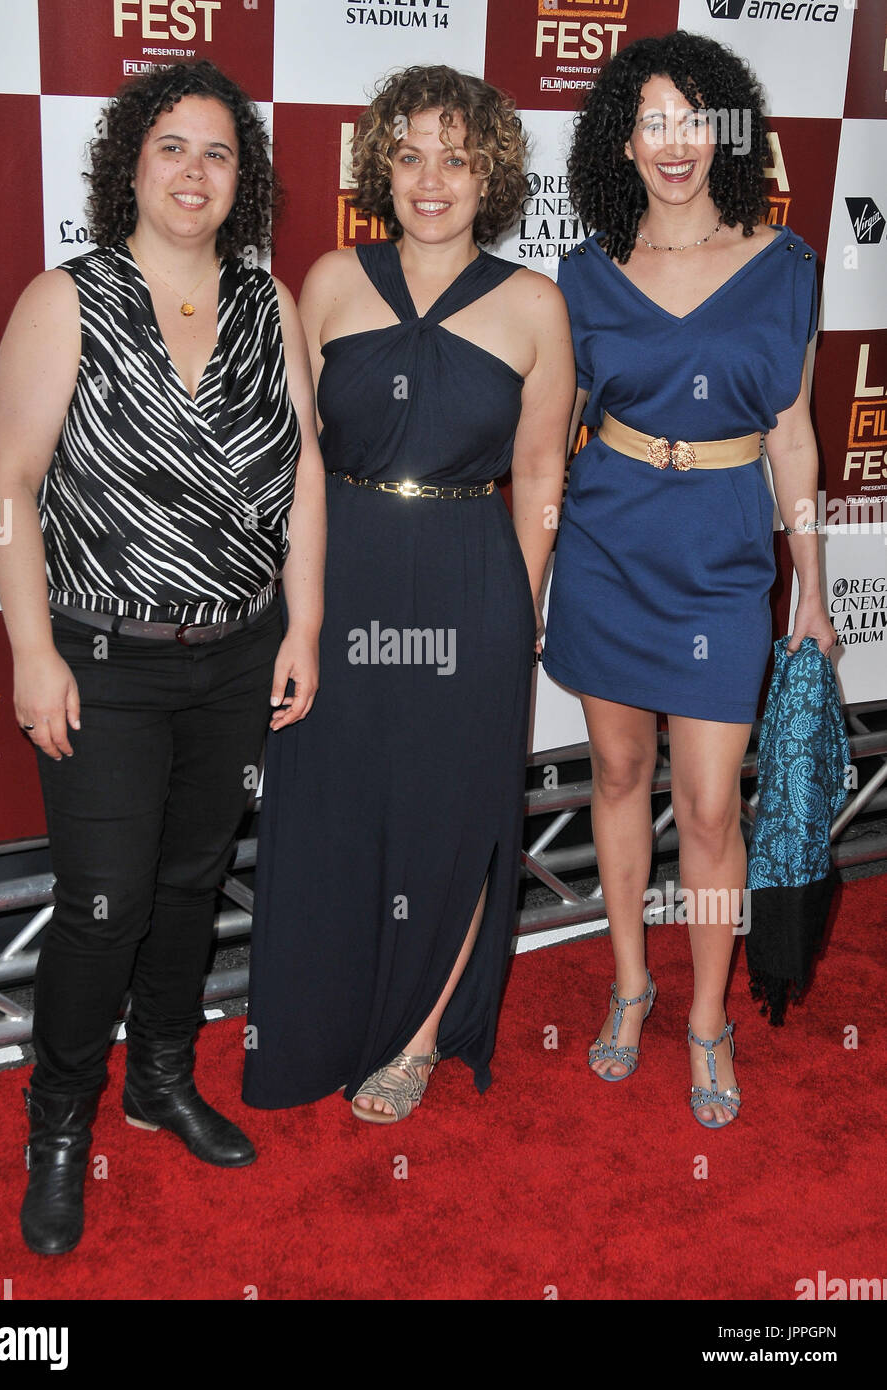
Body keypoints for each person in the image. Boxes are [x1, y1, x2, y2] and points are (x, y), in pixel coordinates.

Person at [0, 60, 326, 1253]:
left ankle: (161, 1077)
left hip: (236, 655)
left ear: (245, 178)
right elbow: (8, 490)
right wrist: (31, 650)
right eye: (171, 146)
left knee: (188, 886)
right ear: (130, 162)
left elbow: (305, 477)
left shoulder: (267, 303)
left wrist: (307, 624)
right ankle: (60, 1122)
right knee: (101, 904)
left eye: (219, 151)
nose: (194, 170)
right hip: (103, 659)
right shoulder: (67, 299)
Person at [241, 65, 573, 1122]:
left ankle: (422, 1033)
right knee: (332, 804)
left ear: (493, 174)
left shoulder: (534, 305)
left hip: (471, 577)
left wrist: (514, 617)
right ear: (383, 165)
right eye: (412, 153)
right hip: (340, 574)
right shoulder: (331, 279)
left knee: (454, 814)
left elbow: (540, 478)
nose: (433, 177)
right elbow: (295, 456)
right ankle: (326, 1012)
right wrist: (301, 607)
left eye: (458, 156)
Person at [541, 31, 836, 1128]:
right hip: (609, 546)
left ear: (726, 132)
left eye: (693, 117)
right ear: (623, 136)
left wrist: (811, 587)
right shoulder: (584, 271)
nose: (674, 142)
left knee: (710, 805)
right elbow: (548, 440)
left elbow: (795, 436)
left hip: (719, 556)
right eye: (651, 119)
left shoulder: (785, 260)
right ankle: (631, 986)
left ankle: (707, 1016)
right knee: (618, 780)